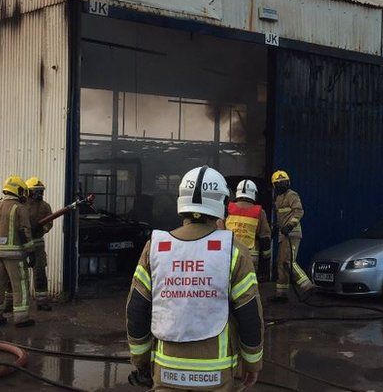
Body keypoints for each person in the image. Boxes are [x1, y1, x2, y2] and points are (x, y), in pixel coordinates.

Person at [126, 165, 264, 390]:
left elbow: (137, 308)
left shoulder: (155, 248)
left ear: (182, 200)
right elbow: (249, 314)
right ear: (222, 203)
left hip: (166, 371)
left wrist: (141, 360)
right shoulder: (234, 251)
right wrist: (252, 363)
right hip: (216, 375)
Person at [0, 175, 36, 327]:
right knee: (20, 285)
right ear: (18, 190)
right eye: (23, 192)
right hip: (14, 255)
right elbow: (24, 231)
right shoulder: (19, 208)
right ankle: (21, 318)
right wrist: (31, 251)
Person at [270, 170, 314, 303]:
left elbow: (299, 211)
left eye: (283, 183)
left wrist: (290, 225)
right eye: (278, 184)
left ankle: (307, 286)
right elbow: (281, 217)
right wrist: (275, 228)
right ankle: (281, 295)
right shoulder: (278, 199)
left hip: (292, 234)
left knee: (288, 261)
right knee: (281, 263)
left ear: (288, 183)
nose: (281, 186)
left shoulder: (292, 195)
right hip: (283, 235)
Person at [224, 180, 272, 272]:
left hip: (229, 253)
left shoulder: (228, 209)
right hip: (250, 256)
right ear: (254, 194)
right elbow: (265, 237)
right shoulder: (259, 212)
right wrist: (266, 259)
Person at [24, 176, 54, 311]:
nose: (40, 194)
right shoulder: (22, 206)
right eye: (37, 191)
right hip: (23, 245)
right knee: (20, 275)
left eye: (41, 191)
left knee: (40, 273)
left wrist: (43, 229)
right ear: (29, 192)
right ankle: (13, 302)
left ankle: (42, 301)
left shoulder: (45, 206)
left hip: (38, 245)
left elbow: (49, 222)